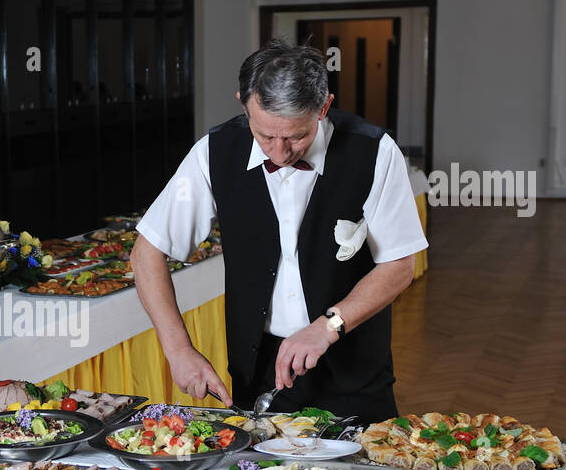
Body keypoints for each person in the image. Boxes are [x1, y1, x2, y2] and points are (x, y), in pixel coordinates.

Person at [131, 38, 428, 424]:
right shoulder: (214, 151)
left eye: (296, 137)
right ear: (244, 103)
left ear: (323, 107)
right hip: (259, 374)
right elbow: (146, 252)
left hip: (353, 366)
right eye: (265, 136)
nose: (279, 153)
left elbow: (399, 265)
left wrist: (328, 326)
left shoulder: (373, 151)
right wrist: (178, 350)